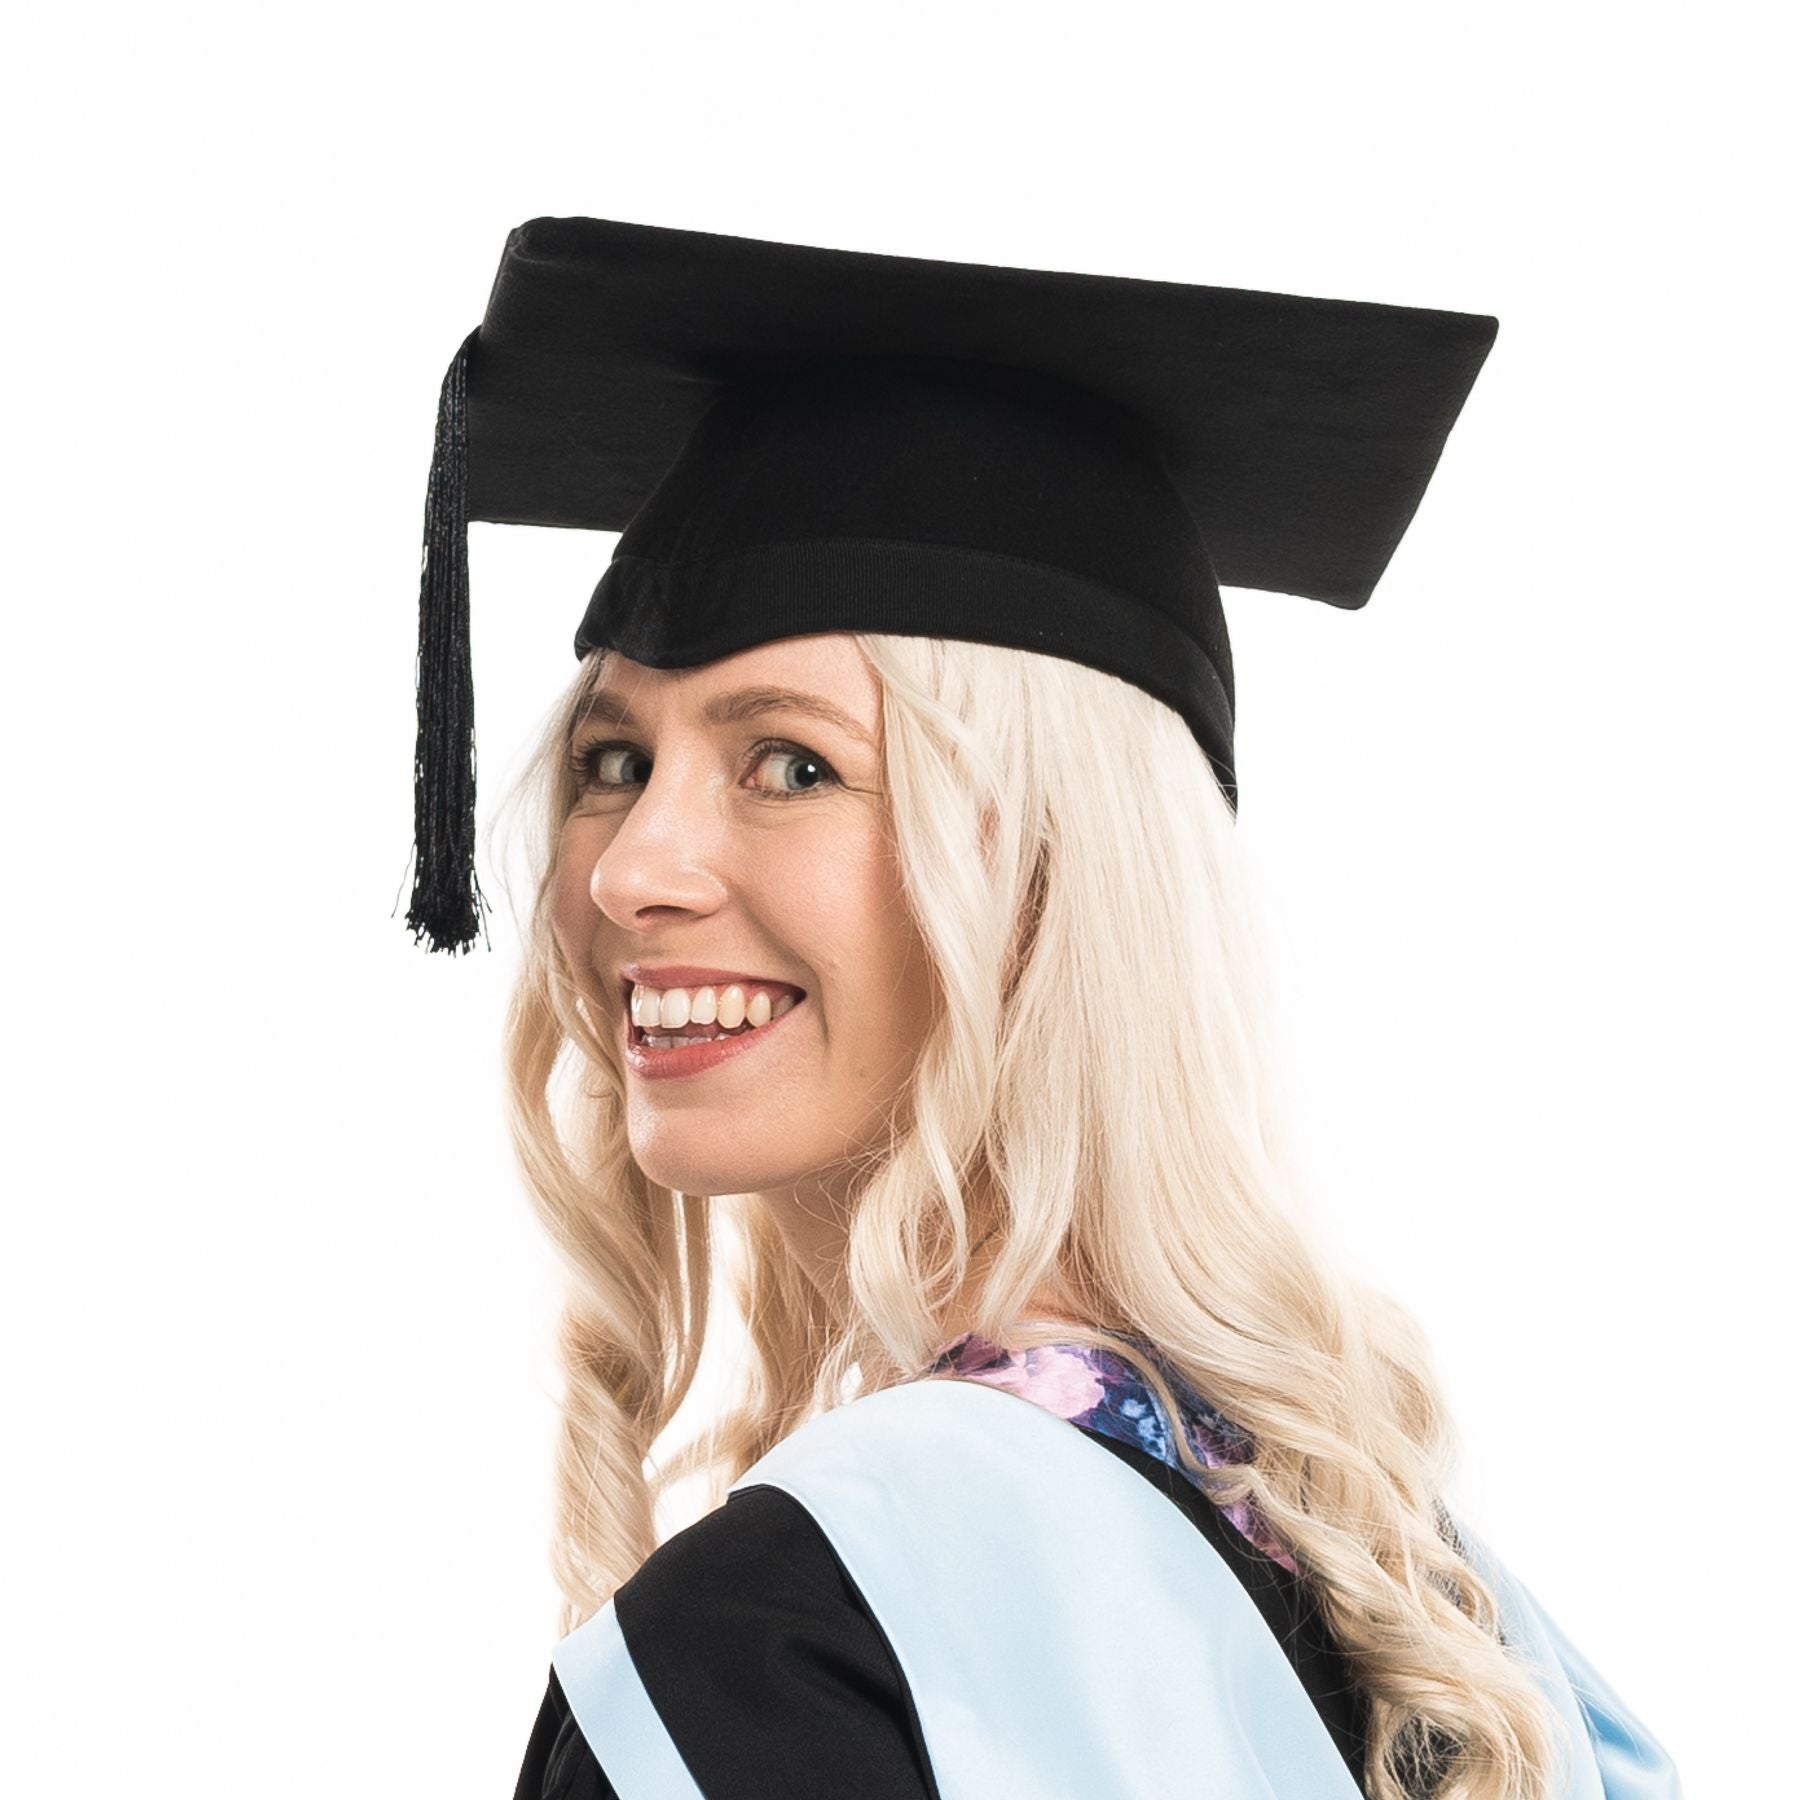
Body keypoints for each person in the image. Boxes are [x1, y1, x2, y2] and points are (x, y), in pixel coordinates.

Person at [402, 217, 1681, 1798]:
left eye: (791, 763)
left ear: (1057, 874)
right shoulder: (1400, 1585)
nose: (629, 873)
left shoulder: (799, 1639)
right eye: (615, 762)